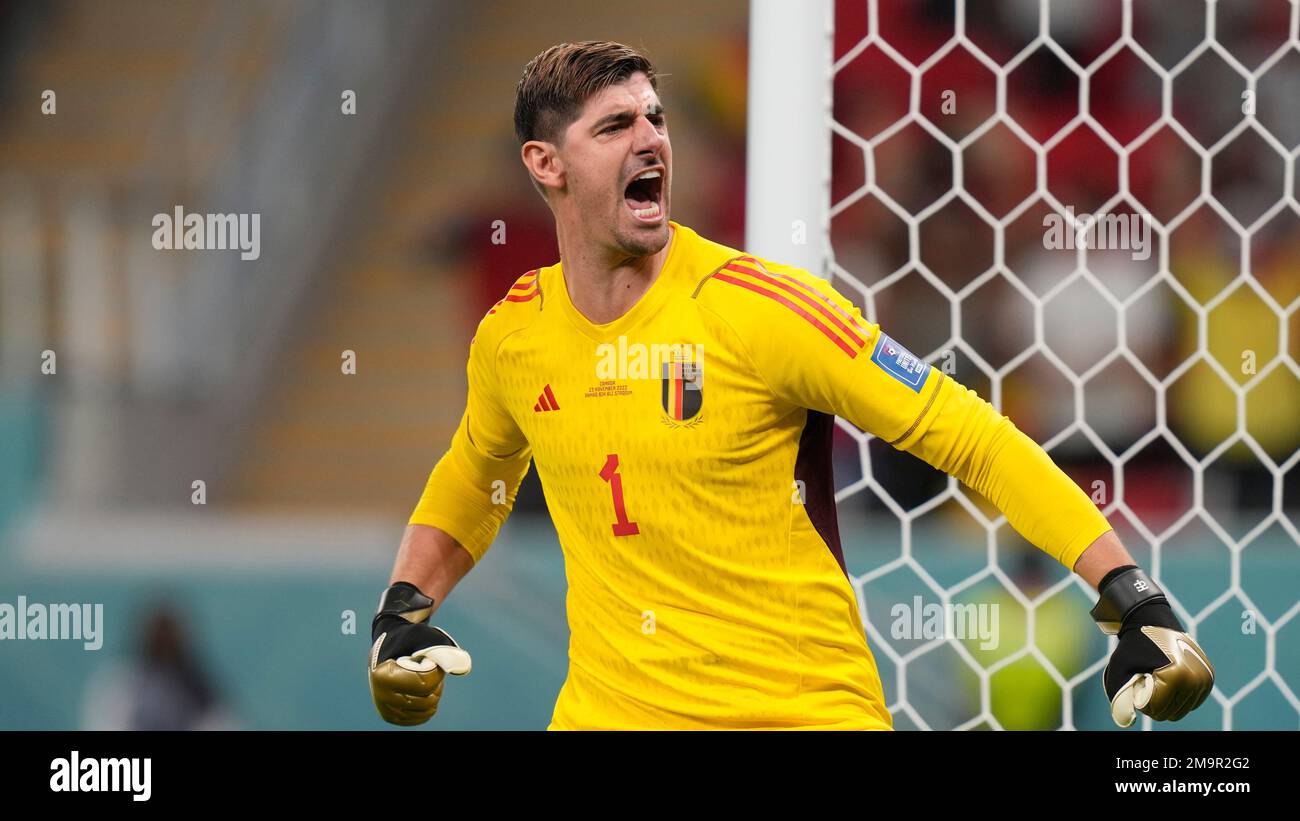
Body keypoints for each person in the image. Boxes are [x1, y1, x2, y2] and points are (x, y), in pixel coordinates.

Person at [367, 41, 1214, 730]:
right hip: (612, 711)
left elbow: (971, 436)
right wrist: (404, 608)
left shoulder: (760, 311)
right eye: (616, 125)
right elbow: (477, 472)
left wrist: (1128, 593)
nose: (650, 139)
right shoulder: (516, 334)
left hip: (799, 709)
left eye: (655, 119)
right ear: (545, 163)